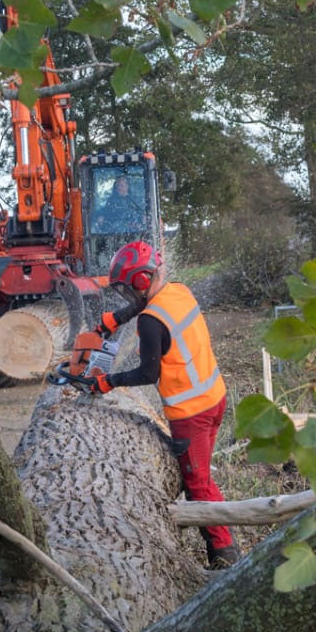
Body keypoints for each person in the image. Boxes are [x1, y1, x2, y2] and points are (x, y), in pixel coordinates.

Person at [81, 241, 240, 569]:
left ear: (140, 282)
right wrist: (113, 320)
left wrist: (106, 382)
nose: (127, 296)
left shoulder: (150, 321)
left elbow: (147, 373)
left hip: (191, 414)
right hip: (215, 398)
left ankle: (225, 556)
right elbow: (150, 306)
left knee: (198, 485)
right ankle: (223, 540)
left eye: (128, 289)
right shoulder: (178, 291)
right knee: (204, 479)